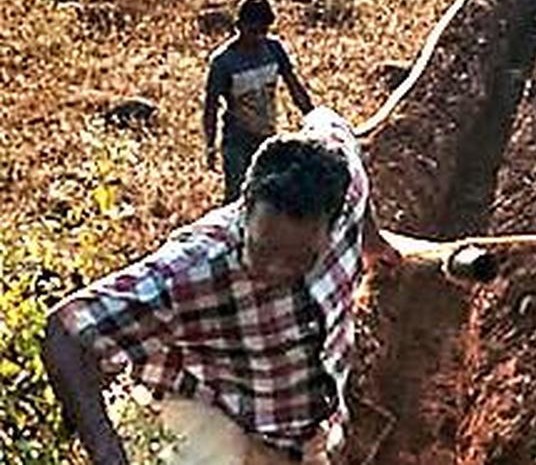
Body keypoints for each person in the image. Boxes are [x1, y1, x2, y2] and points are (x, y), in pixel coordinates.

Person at [43, 107, 376, 464]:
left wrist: (373, 239)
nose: (276, 271)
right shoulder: (192, 271)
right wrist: (109, 456)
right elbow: (65, 332)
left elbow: (333, 126)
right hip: (211, 408)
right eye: (262, 251)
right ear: (244, 207)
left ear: (337, 221)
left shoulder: (345, 185)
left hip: (301, 425)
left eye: (300, 259)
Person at [204, 0, 314, 203]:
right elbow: (211, 106)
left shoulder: (273, 49)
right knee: (236, 198)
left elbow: (293, 84)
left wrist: (312, 116)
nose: (258, 38)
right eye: (253, 31)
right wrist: (210, 146)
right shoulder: (223, 61)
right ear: (239, 26)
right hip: (237, 139)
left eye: (264, 31)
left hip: (267, 136)